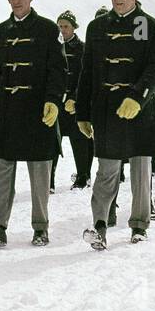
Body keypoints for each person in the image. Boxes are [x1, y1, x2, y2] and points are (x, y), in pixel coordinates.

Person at [76, 0, 155, 249]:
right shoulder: (97, 27)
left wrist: (138, 97)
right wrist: (82, 112)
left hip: (141, 109)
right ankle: (100, 225)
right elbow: (87, 70)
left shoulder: (151, 26)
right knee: (107, 170)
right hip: (107, 109)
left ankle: (139, 224)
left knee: (140, 169)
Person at [0, 0, 65, 249]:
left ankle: (40, 227)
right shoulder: (1, 32)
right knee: (4, 169)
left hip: (38, 112)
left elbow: (58, 70)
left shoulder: (49, 29)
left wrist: (53, 101)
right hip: (9, 113)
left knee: (39, 172)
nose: (16, 0)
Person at [57, 11, 92, 190]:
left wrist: (75, 98)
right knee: (53, 142)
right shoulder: (54, 47)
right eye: (60, 26)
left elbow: (85, 77)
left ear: (73, 28)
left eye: (66, 26)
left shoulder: (82, 48)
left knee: (79, 142)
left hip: (75, 103)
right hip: (56, 102)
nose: (62, 30)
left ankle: (83, 176)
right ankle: (49, 180)